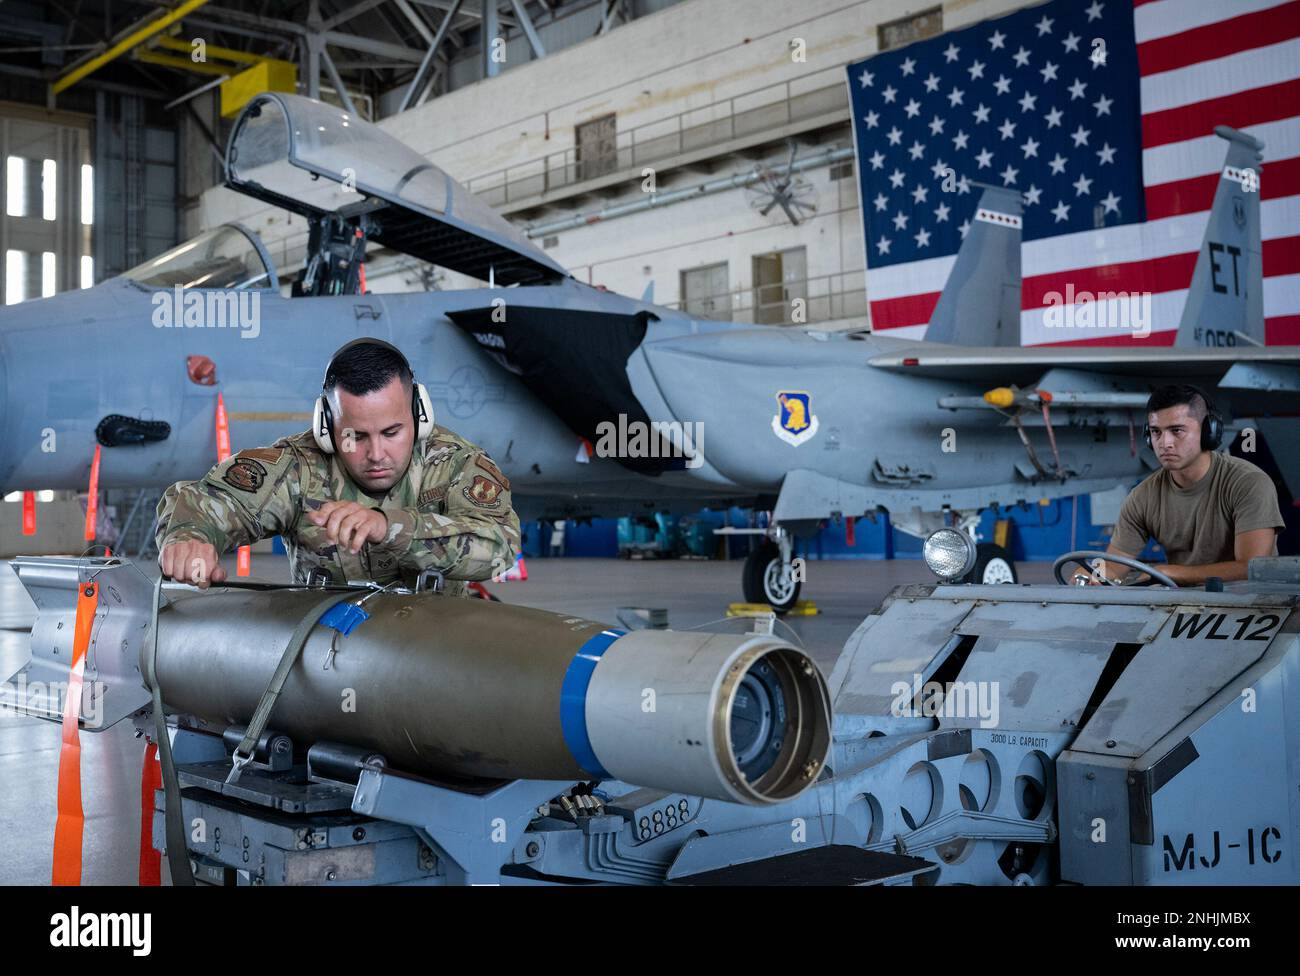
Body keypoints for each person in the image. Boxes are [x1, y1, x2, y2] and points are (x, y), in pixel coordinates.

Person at [155, 338, 520, 597]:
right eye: (355, 436)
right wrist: (190, 537)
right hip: (325, 659)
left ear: (419, 416)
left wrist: (388, 527)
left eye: (392, 432)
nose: (376, 453)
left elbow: (499, 546)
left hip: (434, 652)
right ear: (326, 429)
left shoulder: (456, 464)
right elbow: (209, 501)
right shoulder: (298, 467)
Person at [1093, 384, 1283, 585]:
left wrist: (1167, 572)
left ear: (1208, 431)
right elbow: (1114, 566)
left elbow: (1251, 567)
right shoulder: (1142, 496)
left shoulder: (1248, 482)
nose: (1165, 443)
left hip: (1254, 607)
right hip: (1184, 607)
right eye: (1156, 432)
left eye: (1177, 431)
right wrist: (1092, 574)